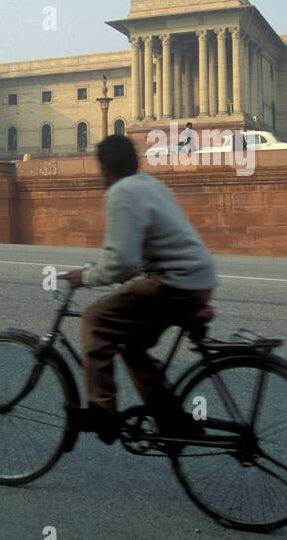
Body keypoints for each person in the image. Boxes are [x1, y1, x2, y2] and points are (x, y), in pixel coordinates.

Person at [61, 135, 217, 443]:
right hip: (198, 280)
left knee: (96, 319)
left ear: (104, 167)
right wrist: (116, 272)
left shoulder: (122, 192)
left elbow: (121, 260)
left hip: (174, 282)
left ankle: (102, 412)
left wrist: (87, 277)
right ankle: (171, 419)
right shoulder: (151, 185)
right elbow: (136, 255)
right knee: (131, 344)